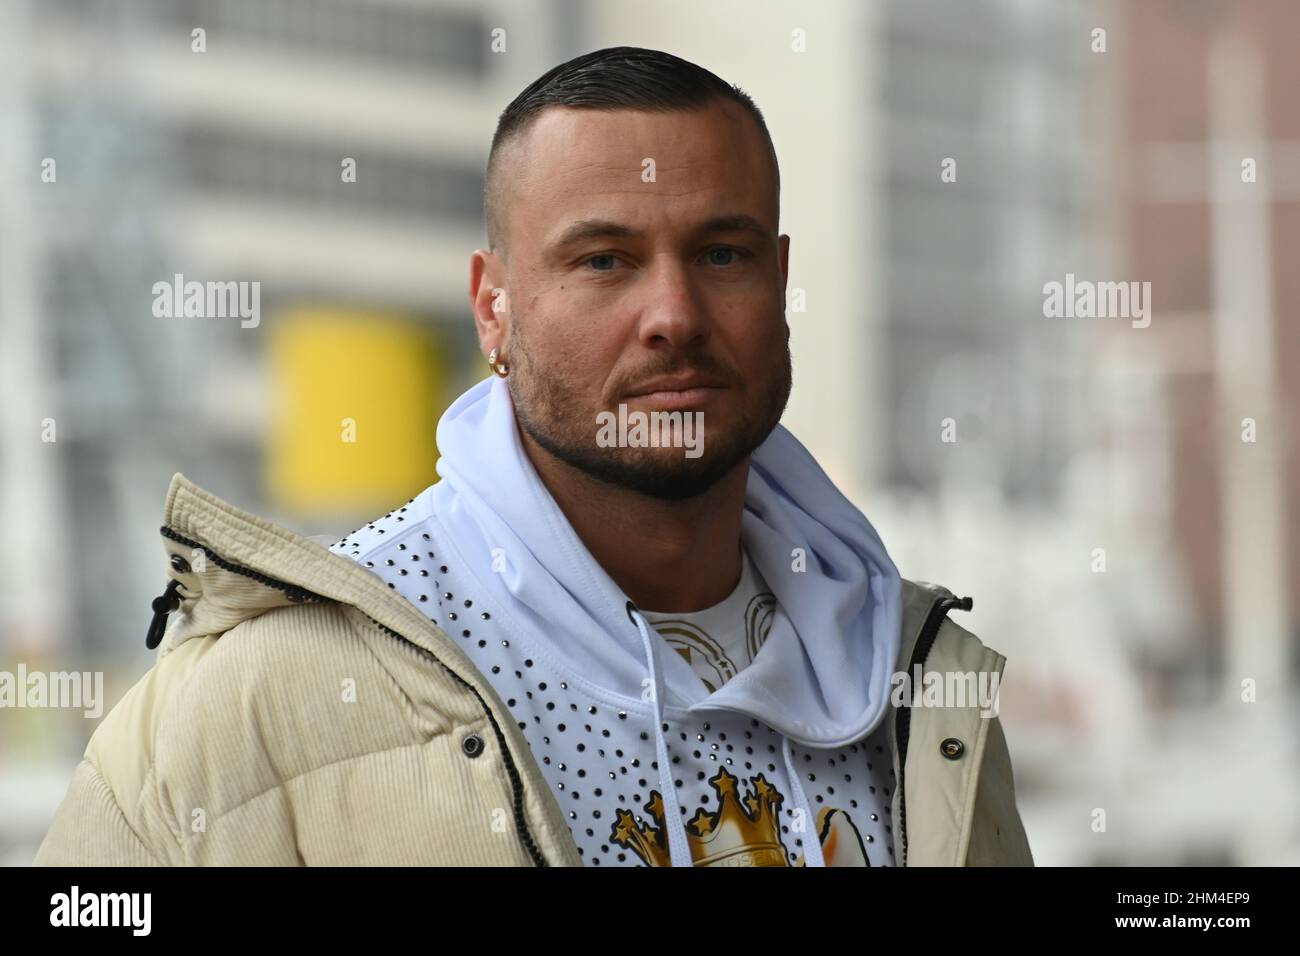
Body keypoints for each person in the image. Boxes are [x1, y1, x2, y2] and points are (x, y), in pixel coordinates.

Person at [35, 46, 1031, 867]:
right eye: (603, 260)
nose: (673, 316)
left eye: (720, 253)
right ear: (492, 308)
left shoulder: (913, 683)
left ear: (778, 284)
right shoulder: (253, 702)